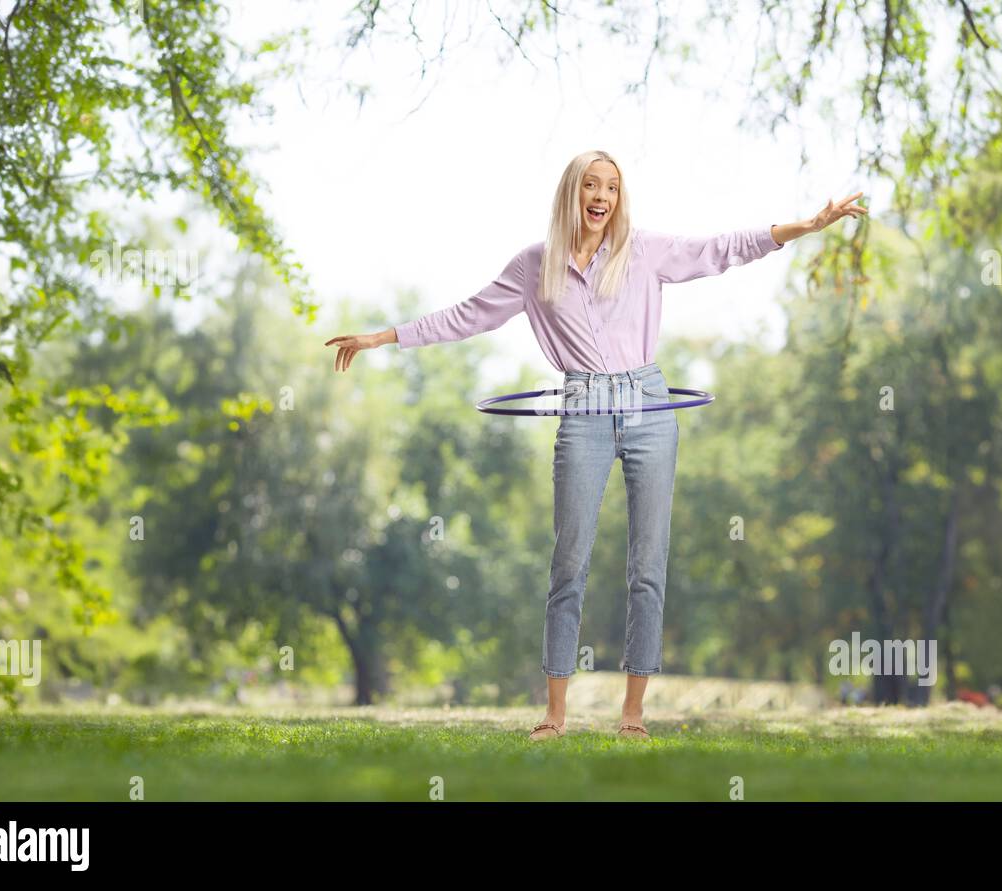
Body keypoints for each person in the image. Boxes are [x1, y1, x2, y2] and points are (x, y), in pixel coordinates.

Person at [325, 150, 866, 741]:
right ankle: (555, 715)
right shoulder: (536, 266)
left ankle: (633, 714)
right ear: (572, 193)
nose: (602, 195)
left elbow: (721, 249)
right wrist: (385, 336)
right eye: (591, 184)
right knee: (569, 564)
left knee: (648, 565)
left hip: (649, 405)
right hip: (582, 408)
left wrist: (806, 226)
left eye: (611, 185)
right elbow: (470, 316)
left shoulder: (643, 251)